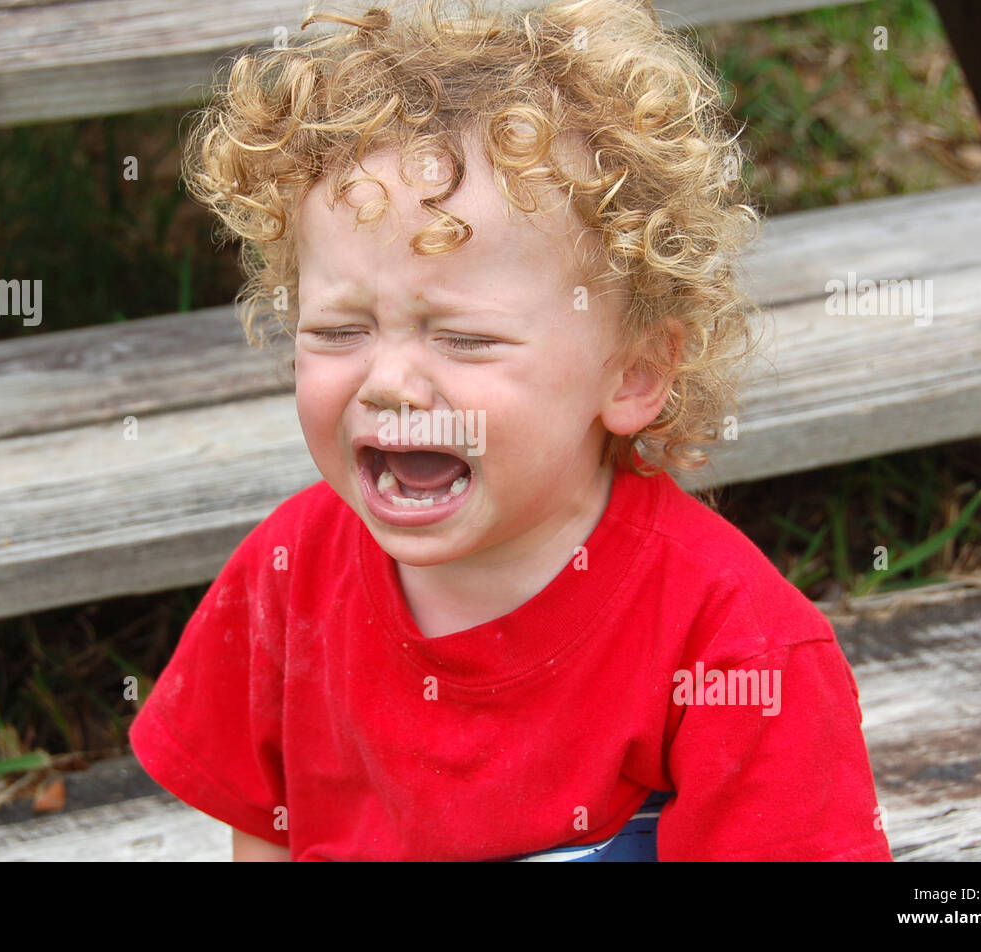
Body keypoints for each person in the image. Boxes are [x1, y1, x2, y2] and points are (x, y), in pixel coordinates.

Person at [129, 0, 893, 861]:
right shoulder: (286, 573)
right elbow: (262, 836)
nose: (388, 382)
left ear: (634, 371)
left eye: (465, 338)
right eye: (338, 330)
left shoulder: (735, 648)